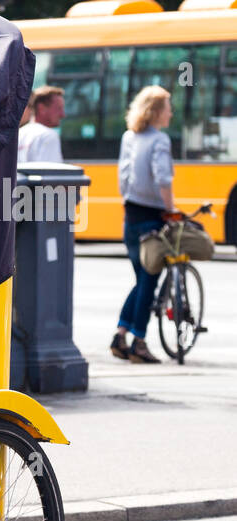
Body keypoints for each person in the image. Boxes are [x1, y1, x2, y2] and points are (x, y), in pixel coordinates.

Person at [112, 85, 175, 364]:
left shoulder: (129, 137)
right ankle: (138, 341)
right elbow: (163, 179)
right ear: (157, 111)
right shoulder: (160, 141)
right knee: (149, 280)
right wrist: (171, 209)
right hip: (152, 218)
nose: (171, 113)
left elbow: (123, 179)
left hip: (131, 216)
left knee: (141, 280)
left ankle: (120, 334)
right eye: (168, 108)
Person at [17, 86, 65, 162]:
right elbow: (51, 172)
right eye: (58, 108)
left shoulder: (18, 134)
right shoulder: (48, 136)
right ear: (41, 108)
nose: (63, 114)